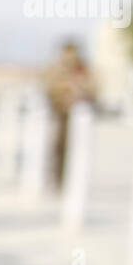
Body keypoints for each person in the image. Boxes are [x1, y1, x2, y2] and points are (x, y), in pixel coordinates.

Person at [44, 41, 96, 189]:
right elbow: (51, 88)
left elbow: (93, 88)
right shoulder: (57, 69)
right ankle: (58, 179)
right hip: (62, 113)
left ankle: (74, 181)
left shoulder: (83, 69)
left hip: (81, 116)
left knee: (78, 150)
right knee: (60, 147)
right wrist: (64, 97)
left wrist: (81, 93)